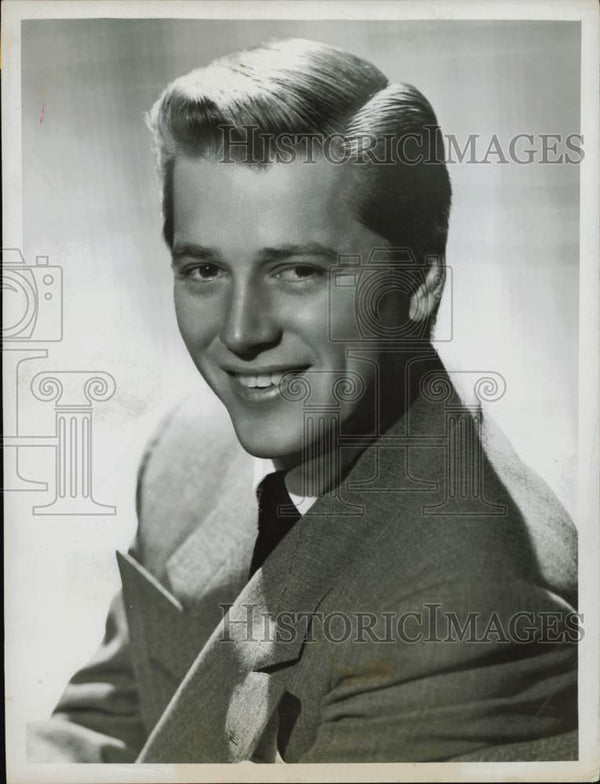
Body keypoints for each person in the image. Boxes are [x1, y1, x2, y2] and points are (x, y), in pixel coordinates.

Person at [28, 38, 578, 764]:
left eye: (297, 270)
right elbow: (97, 728)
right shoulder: (185, 455)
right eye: (203, 269)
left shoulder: (479, 616)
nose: (239, 332)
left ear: (421, 284)